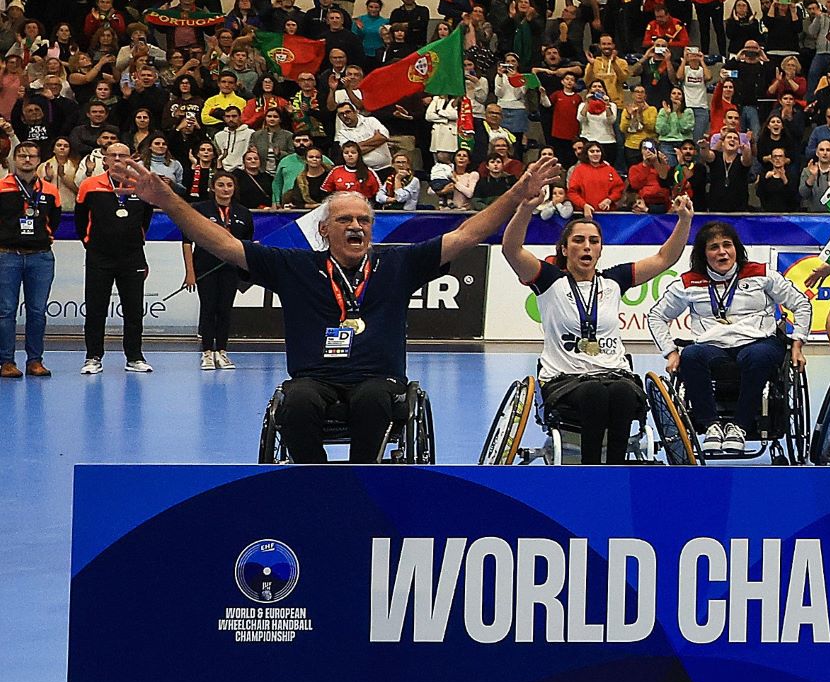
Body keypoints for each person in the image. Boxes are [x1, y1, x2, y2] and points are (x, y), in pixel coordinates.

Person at [129, 156, 552, 462]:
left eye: (363, 221)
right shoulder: (294, 266)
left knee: (373, 398)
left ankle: (360, 477)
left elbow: (466, 235)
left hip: (377, 379)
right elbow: (222, 243)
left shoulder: (398, 264)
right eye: (345, 220)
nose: (355, 227)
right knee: (296, 402)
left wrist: (517, 193)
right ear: (324, 229)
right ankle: (317, 481)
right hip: (315, 379)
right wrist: (168, 200)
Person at [500, 196, 692, 463]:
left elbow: (664, 258)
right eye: (578, 240)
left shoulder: (614, 281)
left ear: (600, 249)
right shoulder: (549, 280)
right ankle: (591, 468)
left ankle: (615, 467)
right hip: (565, 379)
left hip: (615, 374)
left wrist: (684, 220)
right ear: (564, 249)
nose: (587, 246)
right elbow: (511, 250)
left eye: (594, 241)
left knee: (623, 392)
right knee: (594, 393)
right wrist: (525, 208)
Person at [647, 220, 814, 453]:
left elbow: (801, 304)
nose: (722, 252)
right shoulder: (688, 283)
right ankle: (711, 426)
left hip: (759, 342)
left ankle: (740, 427)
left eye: (727, 245)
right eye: (714, 247)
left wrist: (797, 343)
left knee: (756, 357)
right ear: (703, 254)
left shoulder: (762, 274)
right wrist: (671, 352)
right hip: (712, 347)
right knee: (691, 355)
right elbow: (656, 315)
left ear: (736, 248)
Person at [77, 142, 155, 374]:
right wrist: (90, 243)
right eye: (113, 155)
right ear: (105, 160)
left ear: (130, 159)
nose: (118, 159)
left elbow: (145, 219)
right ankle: (93, 357)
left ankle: (134, 357)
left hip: (132, 257)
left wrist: (133, 239)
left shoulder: (140, 186)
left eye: (123, 155)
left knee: (134, 310)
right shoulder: (89, 185)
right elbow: (81, 220)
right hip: (99, 257)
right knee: (95, 309)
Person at [0, 139, 67, 378]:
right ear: (14, 160)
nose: (27, 160)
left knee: (37, 311)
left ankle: (35, 361)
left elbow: (54, 221)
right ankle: (6, 362)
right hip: (6, 256)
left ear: (39, 160)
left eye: (32, 156)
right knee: (6, 311)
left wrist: (38, 238)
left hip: (40, 257)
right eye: (22, 156)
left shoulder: (50, 191)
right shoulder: (1, 187)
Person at [183, 169, 257, 371]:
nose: (225, 189)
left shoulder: (243, 213)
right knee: (208, 308)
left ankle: (222, 351)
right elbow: (187, 242)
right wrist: (190, 272)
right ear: (213, 188)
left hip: (230, 269)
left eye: (229, 185)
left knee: (225, 310)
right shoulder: (200, 209)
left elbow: (246, 245)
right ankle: (207, 352)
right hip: (205, 268)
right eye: (221, 185)